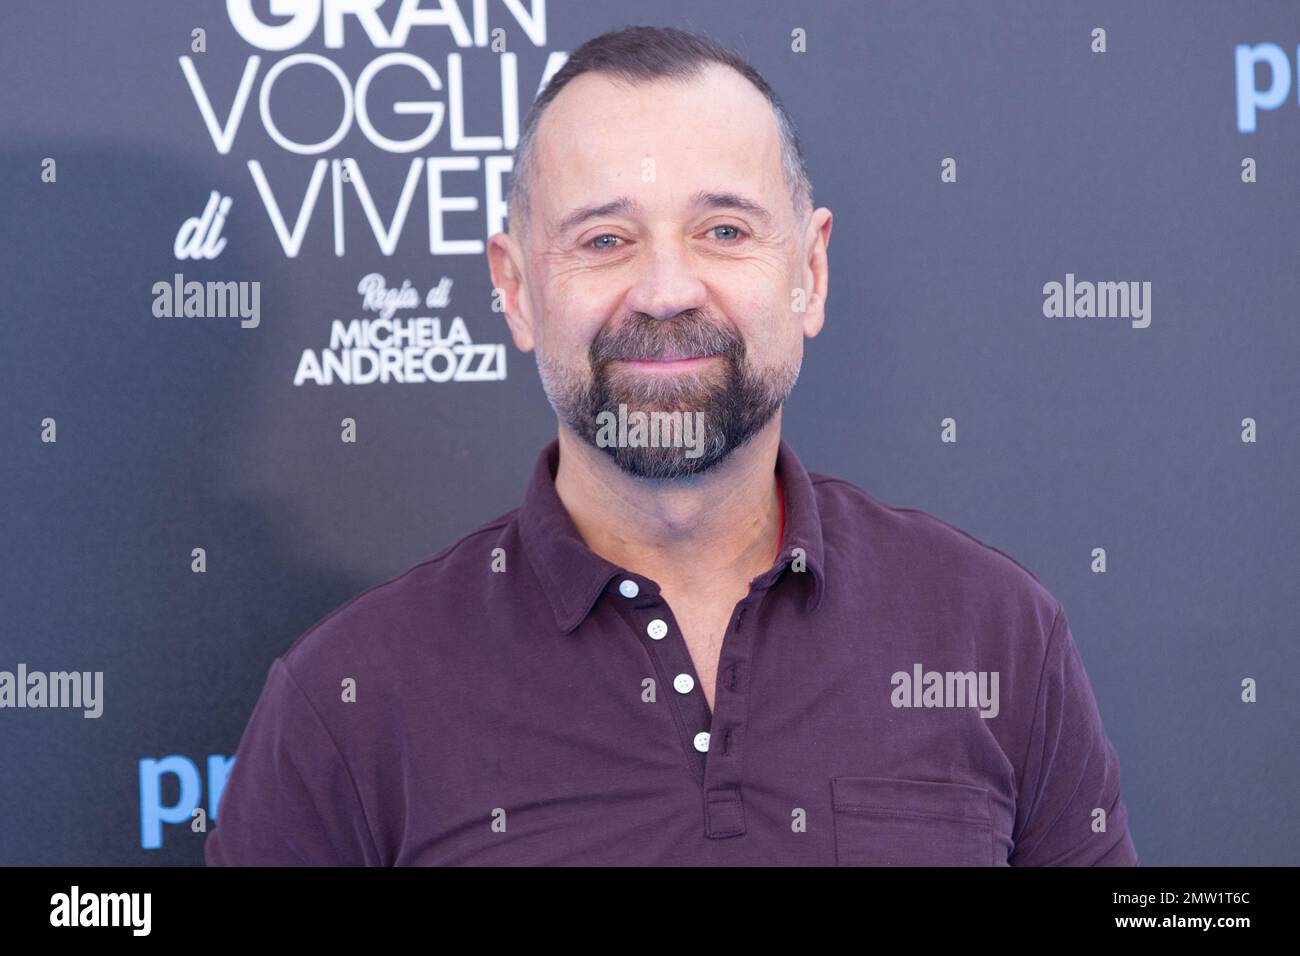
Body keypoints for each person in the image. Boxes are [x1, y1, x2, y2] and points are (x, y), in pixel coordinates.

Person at [205, 25, 1138, 866]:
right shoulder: (348, 699)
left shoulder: (995, 633)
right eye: (605, 239)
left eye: (723, 230)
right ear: (517, 289)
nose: (664, 289)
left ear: (808, 272)